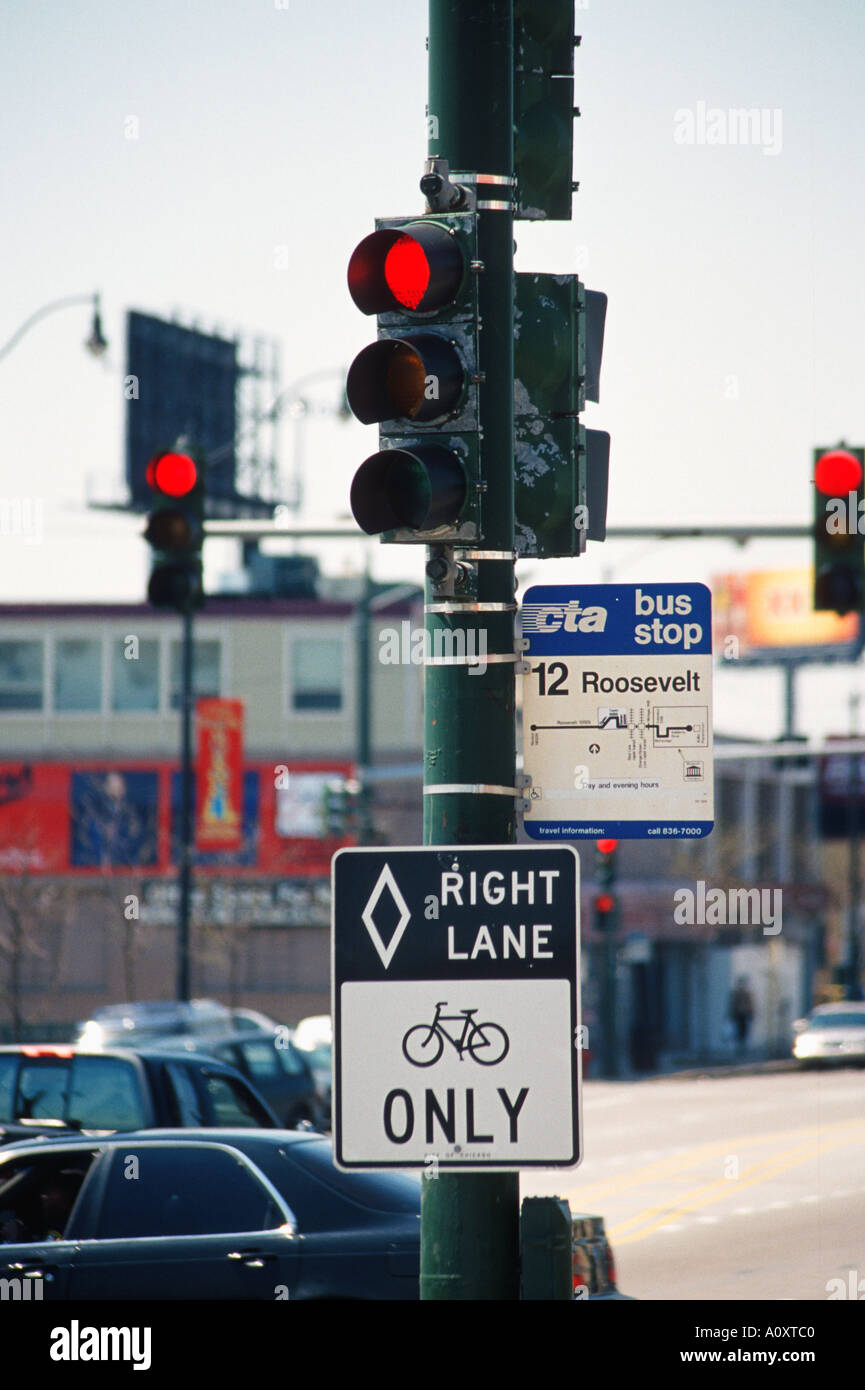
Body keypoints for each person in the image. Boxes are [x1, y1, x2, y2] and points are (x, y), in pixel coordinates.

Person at [729, 976, 755, 1050]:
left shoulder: (746, 993)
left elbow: (750, 1004)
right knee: (739, 1030)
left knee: (744, 1030)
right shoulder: (736, 993)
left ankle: (742, 1045)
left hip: (744, 1014)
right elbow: (733, 1004)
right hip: (739, 1014)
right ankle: (739, 1045)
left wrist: (751, 1013)